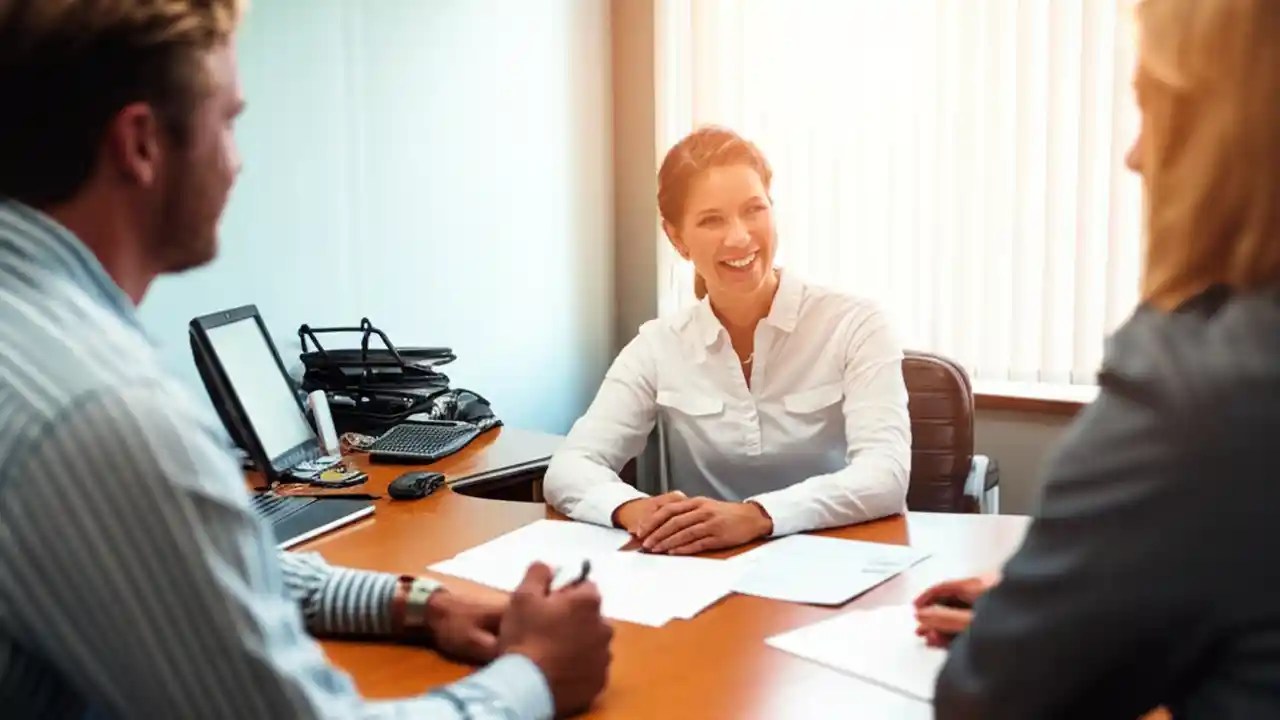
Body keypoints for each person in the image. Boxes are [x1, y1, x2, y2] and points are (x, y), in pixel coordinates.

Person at [0, 2, 611, 718]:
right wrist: (534, 677)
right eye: (227, 121)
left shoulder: (34, 345)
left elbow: (177, 570)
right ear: (141, 145)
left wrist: (412, 602)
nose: (237, 159)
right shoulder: (102, 414)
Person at [916, 0, 1280, 717]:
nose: (1135, 155)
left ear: (1229, 127)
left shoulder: (1202, 391)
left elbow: (986, 703)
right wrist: (1093, 584)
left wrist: (1060, 608)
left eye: (1152, 106)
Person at [544, 127, 911, 555]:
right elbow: (570, 467)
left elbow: (885, 474)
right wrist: (638, 510)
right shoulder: (659, 345)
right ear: (677, 238)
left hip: (840, 558)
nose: (739, 237)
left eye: (754, 210)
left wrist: (757, 517)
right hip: (711, 569)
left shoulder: (856, 325)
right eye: (711, 219)